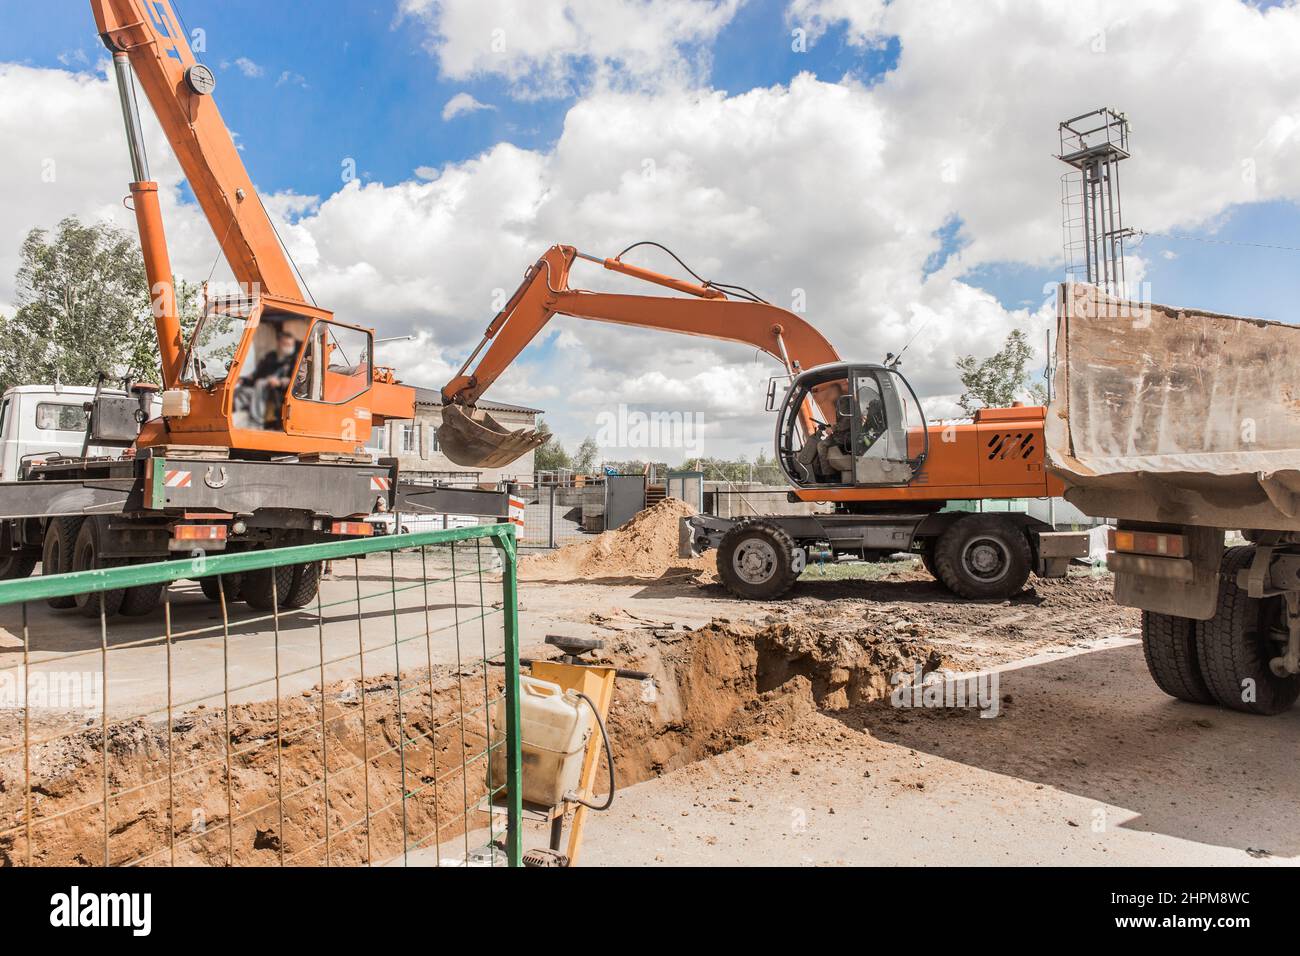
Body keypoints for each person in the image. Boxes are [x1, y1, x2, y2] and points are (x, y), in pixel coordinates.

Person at [234, 327, 298, 429]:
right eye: (286, 344)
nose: (289, 347)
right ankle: (236, 422)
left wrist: (280, 382)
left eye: (291, 345)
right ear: (279, 343)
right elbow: (257, 375)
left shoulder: (294, 360)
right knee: (240, 391)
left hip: (280, 392)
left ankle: (256, 422)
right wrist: (243, 380)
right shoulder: (270, 357)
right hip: (261, 392)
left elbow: (297, 381)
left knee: (260, 383)